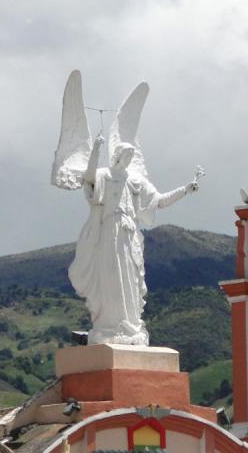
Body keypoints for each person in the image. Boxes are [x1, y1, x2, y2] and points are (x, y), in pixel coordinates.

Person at [68, 134, 199, 346]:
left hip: (129, 235)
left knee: (130, 278)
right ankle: (109, 324)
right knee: (111, 274)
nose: (128, 159)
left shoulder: (135, 181)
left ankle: (129, 323)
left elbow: (160, 201)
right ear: (118, 156)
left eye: (131, 156)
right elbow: (89, 179)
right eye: (126, 155)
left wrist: (184, 190)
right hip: (110, 231)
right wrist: (96, 151)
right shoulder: (104, 175)